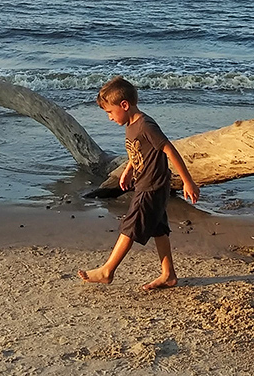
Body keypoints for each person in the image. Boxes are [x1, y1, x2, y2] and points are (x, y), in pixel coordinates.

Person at [78, 76, 200, 291]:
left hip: (152, 186)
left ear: (124, 105)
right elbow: (138, 153)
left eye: (110, 112)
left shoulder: (146, 125)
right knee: (158, 229)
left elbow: (169, 150)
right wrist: (127, 171)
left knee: (131, 225)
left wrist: (187, 182)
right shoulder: (131, 124)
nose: (109, 118)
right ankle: (169, 274)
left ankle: (108, 271)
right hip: (147, 183)